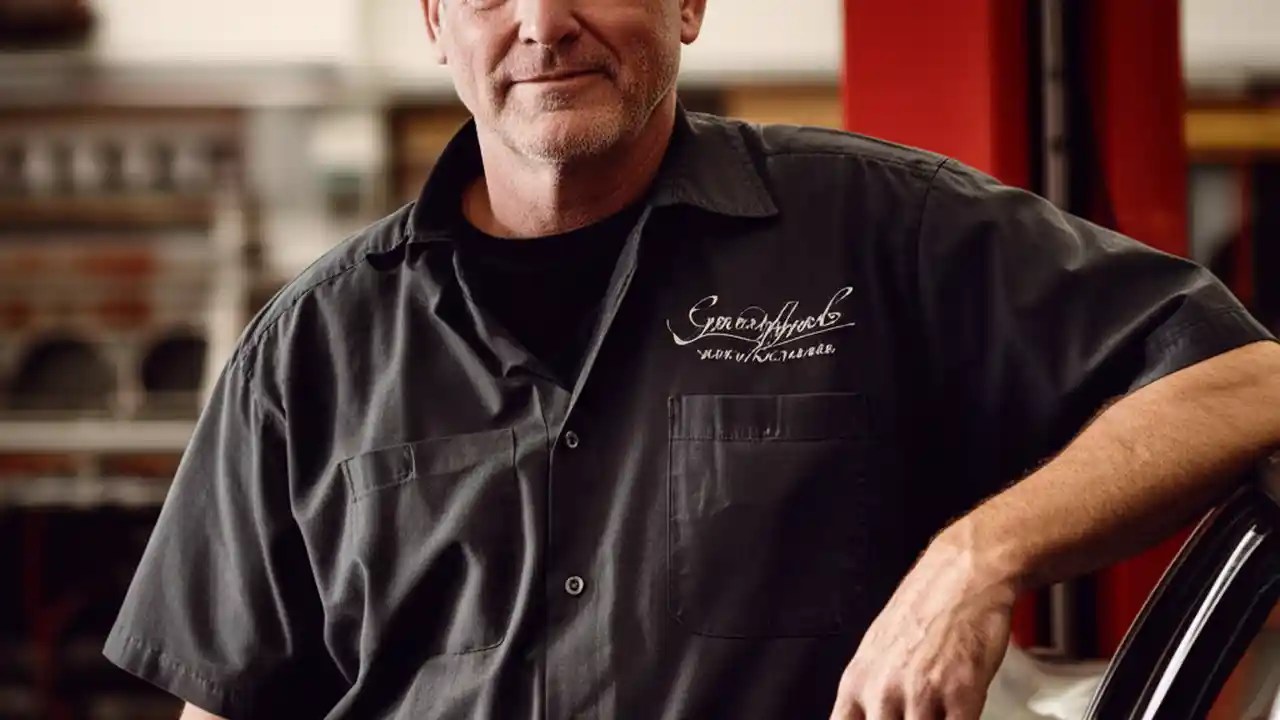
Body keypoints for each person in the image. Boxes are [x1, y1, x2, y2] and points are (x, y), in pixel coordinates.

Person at [104, 1, 1280, 718]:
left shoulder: (878, 230)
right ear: (433, 21)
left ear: (688, 4)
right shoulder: (308, 349)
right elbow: (235, 702)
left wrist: (977, 556)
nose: (542, 21)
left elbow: (1248, 380)